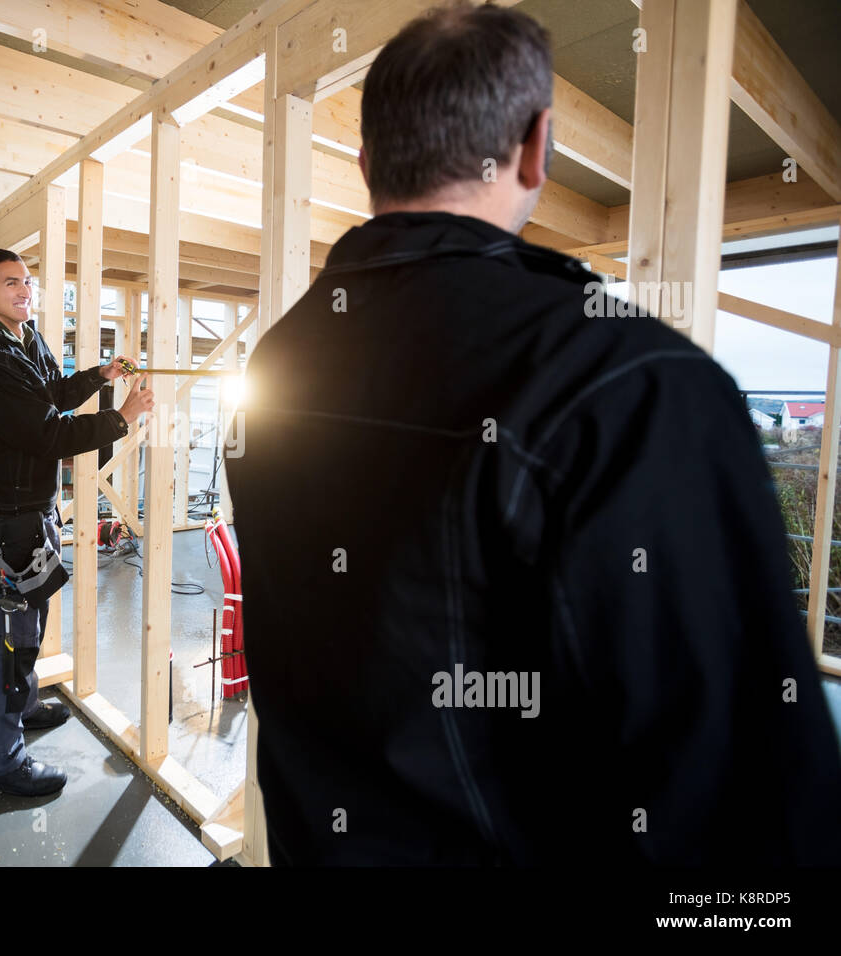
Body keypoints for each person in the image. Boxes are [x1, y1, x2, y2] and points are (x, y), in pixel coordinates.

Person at [224, 1, 841, 864]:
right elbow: (748, 810)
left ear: (367, 163)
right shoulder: (626, 380)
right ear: (535, 146)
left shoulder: (283, 356)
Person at [0, 248, 153, 796]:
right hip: (11, 512)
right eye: (10, 283)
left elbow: (51, 394)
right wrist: (122, 418)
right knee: (10, 632)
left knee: (31, 615)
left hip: (32, 504)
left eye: (28, 282)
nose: (24, 291)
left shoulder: (24, 338)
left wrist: (100, 376)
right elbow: (49, 435)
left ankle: (23, 704)